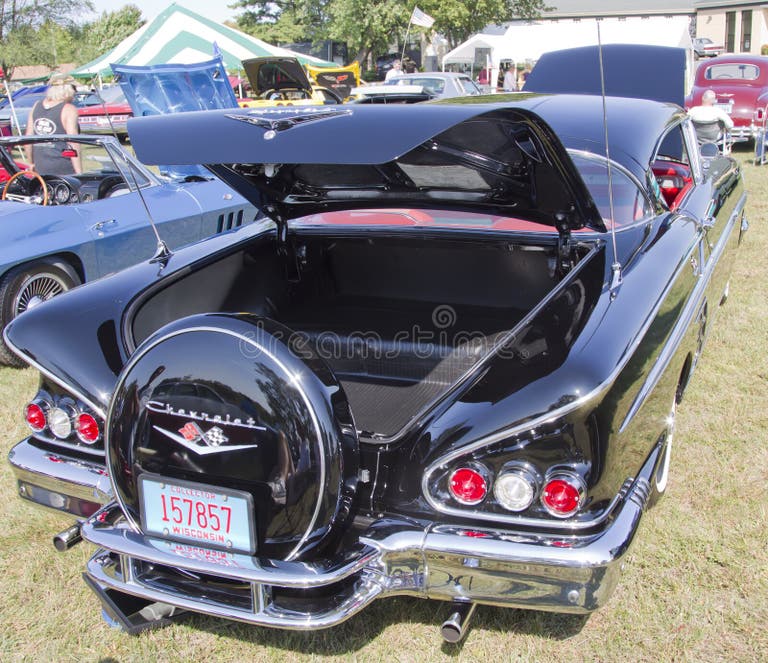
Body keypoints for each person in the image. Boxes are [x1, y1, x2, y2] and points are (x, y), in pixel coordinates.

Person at [25, 72, 81, 175]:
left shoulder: (36, 106)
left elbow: (28, 138)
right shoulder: (69, 109)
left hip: (41, 166)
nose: (75, 93)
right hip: (63, 165)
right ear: (67, 89)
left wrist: (31, 162)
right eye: (74, 88)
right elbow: (73, 142)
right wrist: (79, 171)